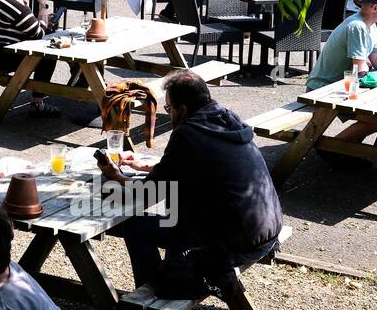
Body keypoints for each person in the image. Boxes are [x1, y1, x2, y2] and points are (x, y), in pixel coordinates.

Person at [99, 71, 284, 297]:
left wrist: (117, 176)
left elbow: (148, 193)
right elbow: (200, 164)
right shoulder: (227, 119)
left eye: (169, 109)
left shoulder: (187, 133)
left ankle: (151, 294)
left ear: (183, 109)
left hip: (237, 244)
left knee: (137, 225)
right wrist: (145, 166)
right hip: (267, 230)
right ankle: (170, 273)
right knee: (180, 207)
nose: (169, 114)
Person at [306, 0, 377, 144]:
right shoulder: (357, 27)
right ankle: (330, 149)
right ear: (375, 7)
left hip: (342, 86)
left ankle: (346, 151)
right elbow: (360, 72)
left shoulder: (370, 25)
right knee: (376, 120)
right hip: (323, 89)